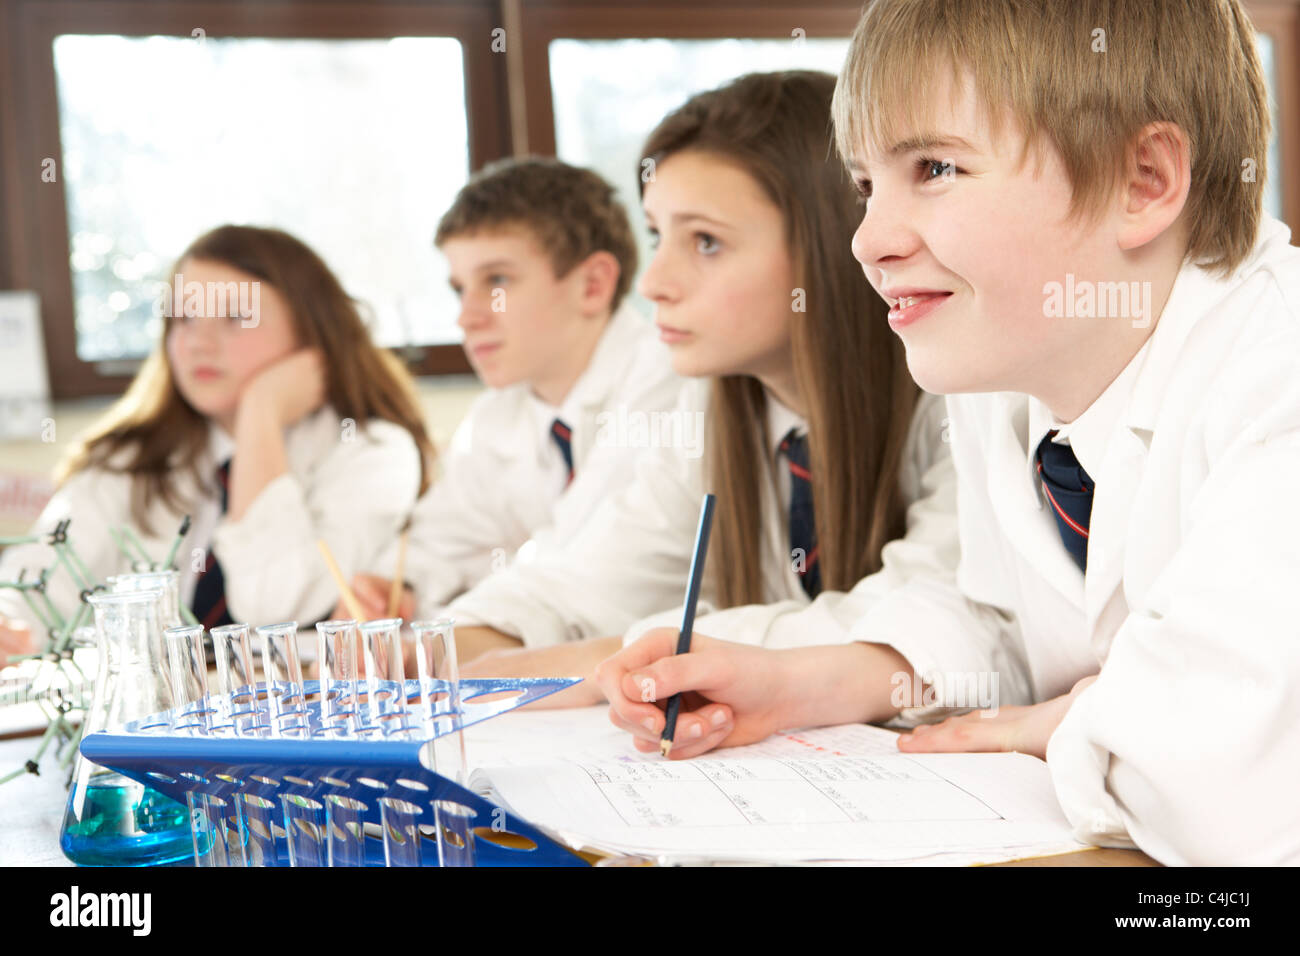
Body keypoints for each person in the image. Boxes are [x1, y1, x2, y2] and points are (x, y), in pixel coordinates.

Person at [598, 0, 1300, 865]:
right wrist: (794, 684)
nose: (866, 241)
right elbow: (997, 619)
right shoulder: (1004, 374)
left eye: (933, 168)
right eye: (865, 185)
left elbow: (1236, 782)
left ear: (1142, 181)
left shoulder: (1279, 373)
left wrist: (1066, 722)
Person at [445, 72, 958, 703]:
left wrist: (643, 650)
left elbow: (930, 624)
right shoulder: (712, 411)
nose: (654, 282)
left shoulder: (957, 396)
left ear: (827, 246)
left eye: (706, 242)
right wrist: (433, 653)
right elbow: (586, 580)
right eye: (658, 237)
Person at [0, 225, 432, 652]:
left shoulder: (372, 451)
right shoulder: (128, 457)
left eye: (237, 317)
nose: (199, 344)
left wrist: (260, 413)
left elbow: (273, 607)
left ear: (312, 332)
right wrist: (9, 624)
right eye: (184, 318)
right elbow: (35, 580)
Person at [337, 158, 681, 632]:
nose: (467, 317)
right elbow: (440, 537)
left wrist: (452, 635)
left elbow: (579, 563)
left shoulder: (667, 379)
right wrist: (398, 586)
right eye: (460, 289)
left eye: (496, 281)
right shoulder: (499, 414)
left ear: (593, 285)